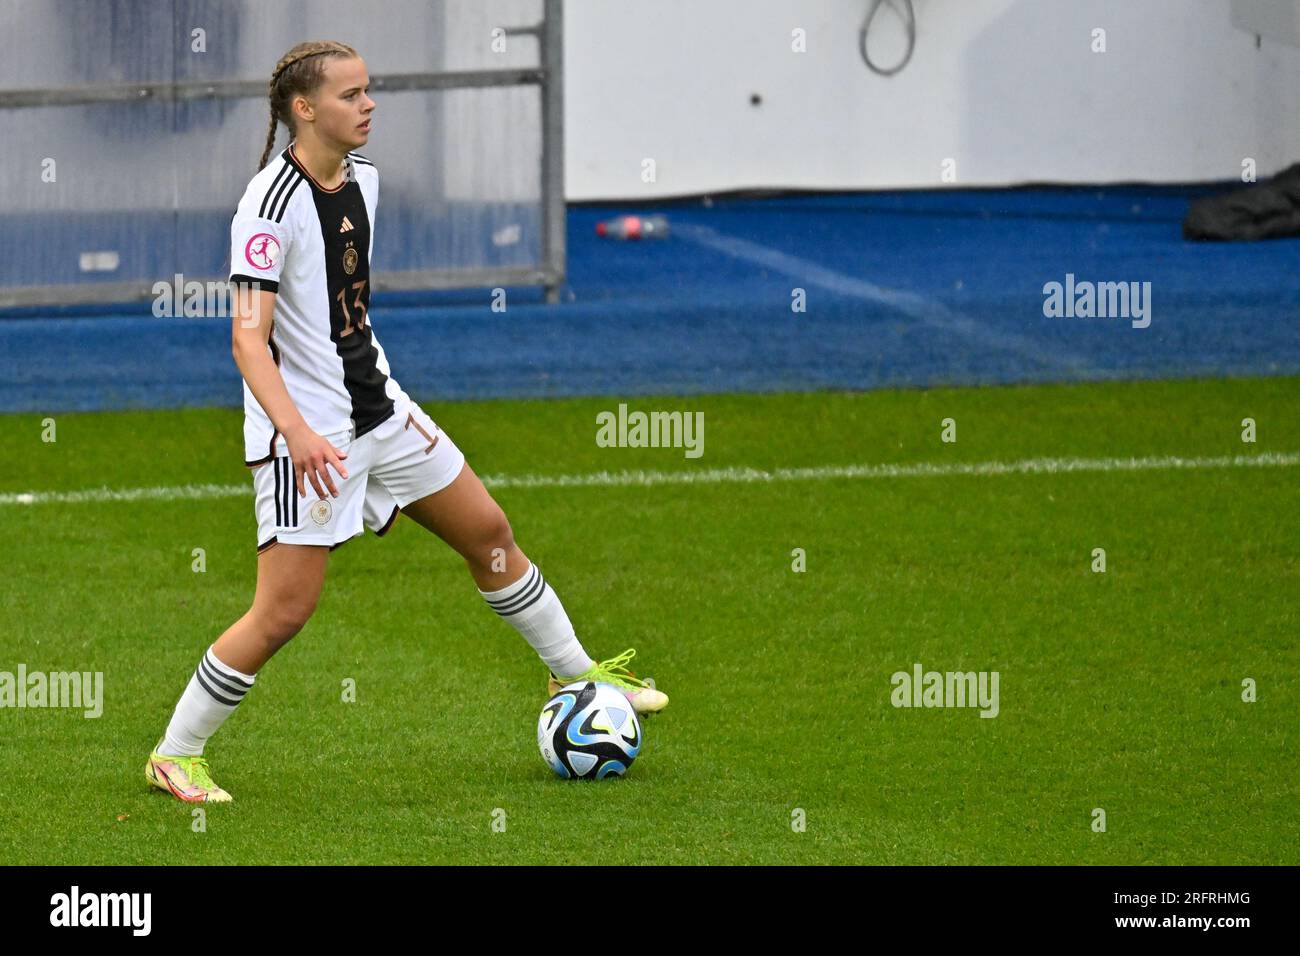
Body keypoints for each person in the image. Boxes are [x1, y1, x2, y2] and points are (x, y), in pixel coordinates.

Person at [145, 40, 667, 804]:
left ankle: (574, 671)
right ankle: (175, 753)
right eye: (351, 94)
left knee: (489, 533)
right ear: (304, 108)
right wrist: (294, 431)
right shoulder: (266, 206)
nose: (369, 105)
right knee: (285, 609)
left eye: (369, 90)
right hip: (310, 441)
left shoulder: (366, 183)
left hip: (383, 412)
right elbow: (246, 338)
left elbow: (342, 315)